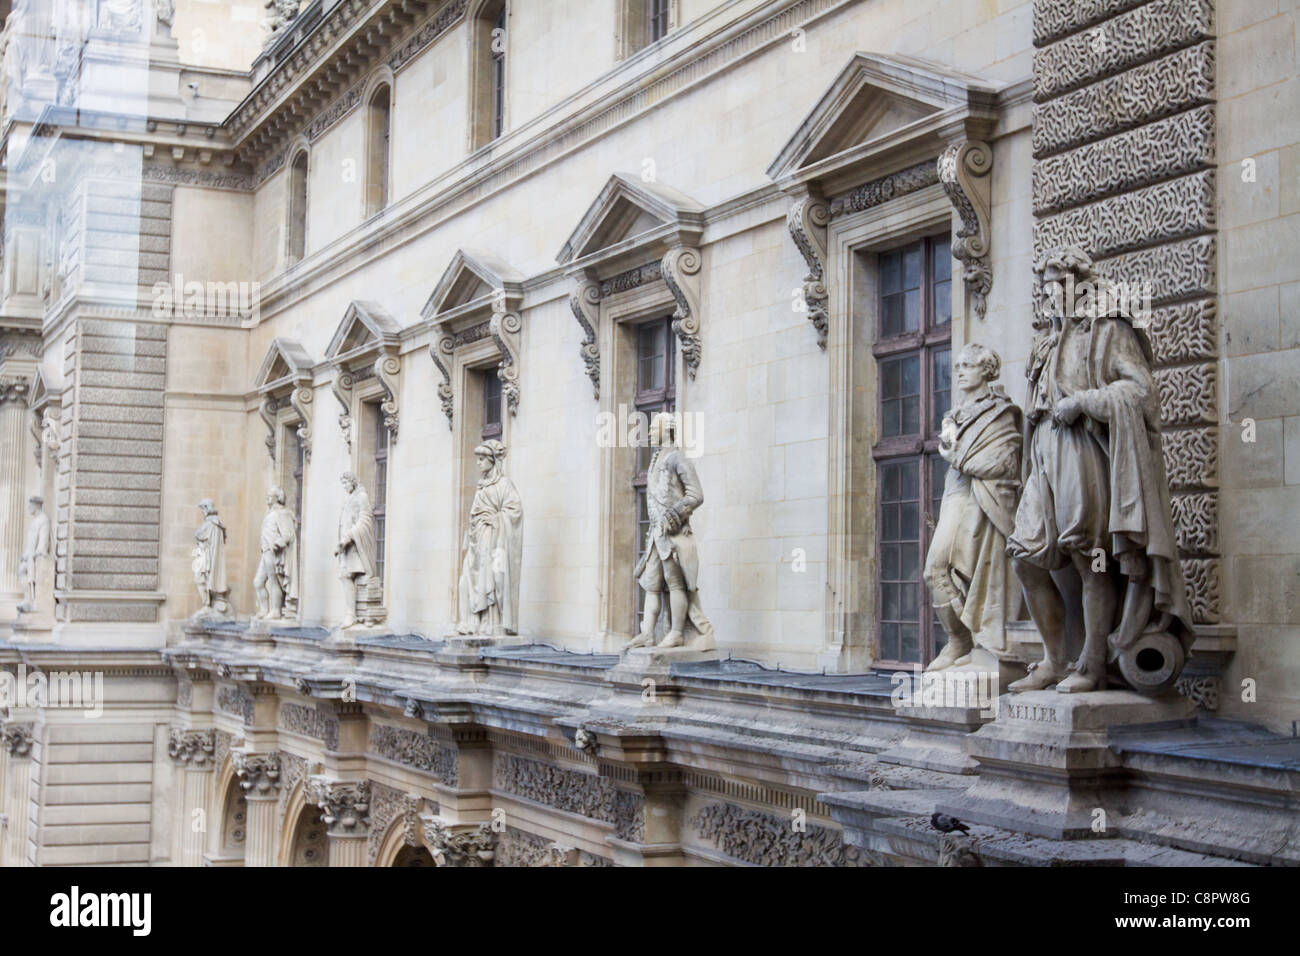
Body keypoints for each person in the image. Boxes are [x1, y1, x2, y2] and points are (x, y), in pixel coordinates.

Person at [1007, 247, 1193, 693]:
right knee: (1026, 559)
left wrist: (1084, 401)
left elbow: (1141, 392)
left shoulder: (1109, 331)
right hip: (1046, 452)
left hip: (1084, 447)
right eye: (1045, 285)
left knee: (1090, 558)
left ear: (1079, 284)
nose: (1049, 293)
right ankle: (1055, 660)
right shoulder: (1047, 341)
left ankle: (1091, 666)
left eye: (1057, 283)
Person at [924, 344, 1022, 671]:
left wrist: (956, 455)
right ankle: (959, 640)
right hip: (955, 494)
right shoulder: (954, 415)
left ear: (987, 370)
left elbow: (1005, 461)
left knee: (953, 569)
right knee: (935, 571)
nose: (961, 371)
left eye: (969, 365)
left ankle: (974, 642)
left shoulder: (1001, 412)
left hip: (984, 498)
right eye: (958, 366)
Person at [628, 412, 713, 650]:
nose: (650, 432)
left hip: (674, 535)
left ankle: (676, 633)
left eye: (654, 428)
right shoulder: (656, 459)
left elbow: (696, 494)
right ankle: (647, 634)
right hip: (656, 535)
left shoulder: (678, 459)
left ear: (666, 429)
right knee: (651, 585)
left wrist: (675, 514)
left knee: (676, 585)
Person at [456, 440, 523, 636]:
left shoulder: (504, 485)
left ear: (492, 461)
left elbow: (515, 511)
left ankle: (491, 622)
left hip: (494, 539)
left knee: (492, 579)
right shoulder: (482, 486)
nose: (478, 463)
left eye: (481, 459)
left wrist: (496, 519)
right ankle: (473, 621)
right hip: (478, 540)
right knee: (466, 582)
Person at [336, 471, 378, 628]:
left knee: (346, 574)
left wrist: (349, 536)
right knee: (344, 575)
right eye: (343, 483)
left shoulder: (361, 496)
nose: (345, 486)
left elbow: (365, 518)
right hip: (346, 545)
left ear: (353, 481)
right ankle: (351, 613)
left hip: (355, 544)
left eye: (346, 483)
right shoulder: (349, 498)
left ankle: (351, 614)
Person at [253, 486, 297, 620]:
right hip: (266, 551)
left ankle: (276, 610)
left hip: (274, 551)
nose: (267, 498)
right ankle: (264, 609)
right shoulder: (270, 513)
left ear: (277, 498)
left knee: (274, 581)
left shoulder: (282, 513)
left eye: (270, 495)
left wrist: (278, 543)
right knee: (258, 582)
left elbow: (288, 534)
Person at [191, 498, 229, 615]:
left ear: (207, 509)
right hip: (208, 556)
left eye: (203, 509)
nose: (202, 512)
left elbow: (199, 534)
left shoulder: (210, 524)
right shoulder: (216, 523)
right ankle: (208, 603)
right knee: (202, 580)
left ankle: (207, 604)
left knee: (200, 580)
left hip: (206, 558)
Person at [17, 494, 50, 612]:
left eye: (30, 505)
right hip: (29, 556)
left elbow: (43, 541)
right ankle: (28, 599)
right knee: (21, 571)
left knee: (25, 573)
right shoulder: (35, 521)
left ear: (36, 505)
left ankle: (30, 600)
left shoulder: (43, 520)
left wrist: (39, 552)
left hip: (35, 557)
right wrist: (26, 554)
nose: (29, 508)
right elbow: (30, 542)